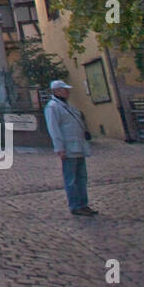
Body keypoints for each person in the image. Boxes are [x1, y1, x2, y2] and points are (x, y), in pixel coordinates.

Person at [44, 79, 97, 216]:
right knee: (71, 179)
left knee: (81, 177)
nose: (67, 92)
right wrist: (59, 148)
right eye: (64, 89)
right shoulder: (53, 107)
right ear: (56, 91)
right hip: (68, 148)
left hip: (78, 146)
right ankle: (75, 205)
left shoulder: (67, 105)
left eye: (66, 89)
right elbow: (54, 129)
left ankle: (83, 204)